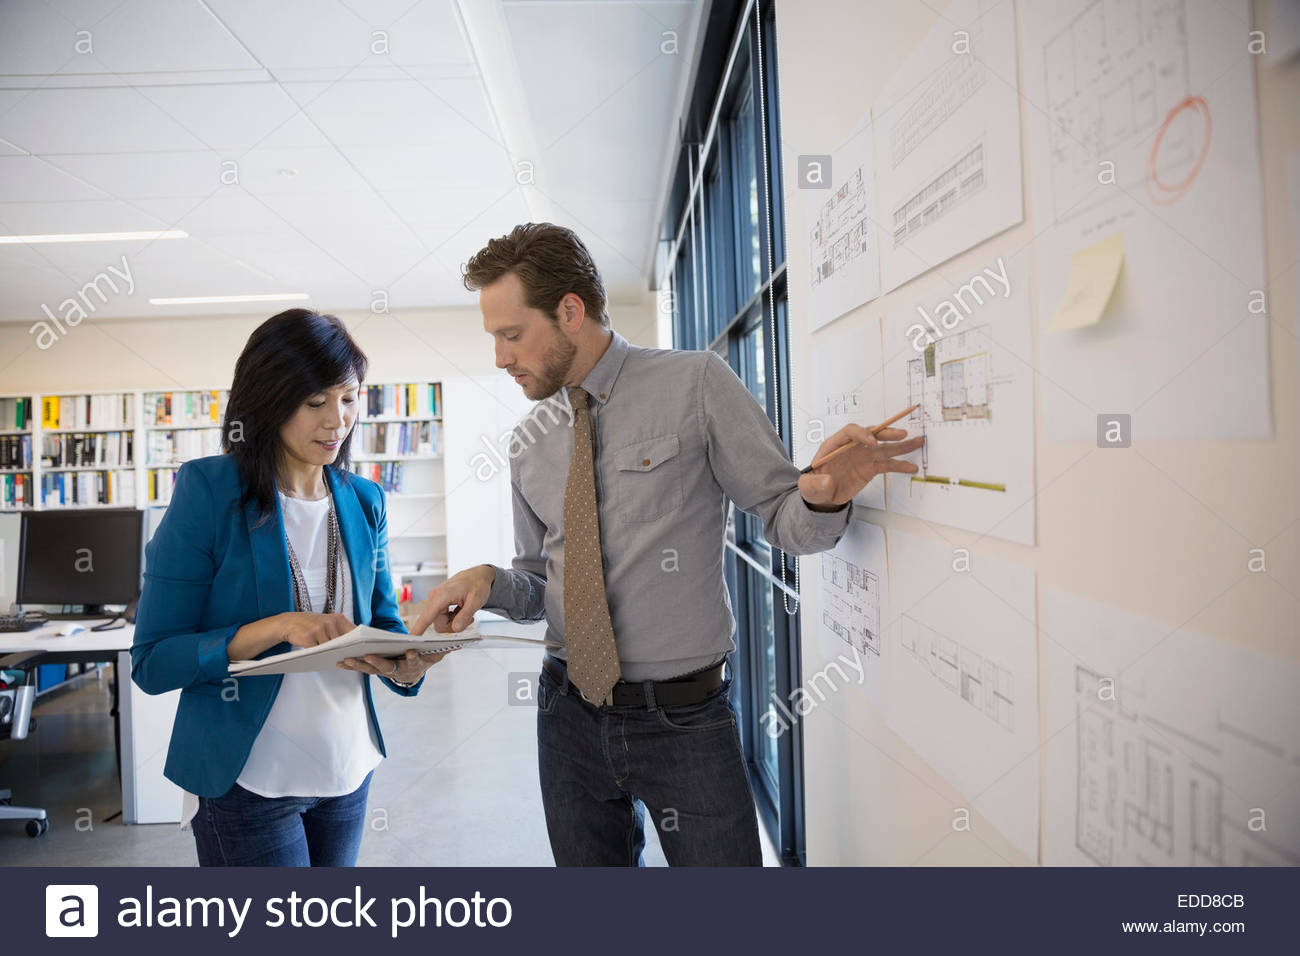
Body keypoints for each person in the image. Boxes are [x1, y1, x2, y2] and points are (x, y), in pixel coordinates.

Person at [414, 223, 923, 866]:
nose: (500, 358)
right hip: (565, 714)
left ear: (570, 310)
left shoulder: (696, 384)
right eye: (494, 338)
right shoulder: (527, 441)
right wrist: (488, 581)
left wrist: (824, 495)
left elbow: (782, 516)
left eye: (511, 334)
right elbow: (542, 586)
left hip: (685, 721)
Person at [132, 308, 445, 867]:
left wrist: (408, 661)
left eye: (348, 398)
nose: (337, 420)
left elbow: (383, 625)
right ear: (270, 402)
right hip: (247, 780)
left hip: (347, 770)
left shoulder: (364, 499)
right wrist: (280, 627)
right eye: (315, 402)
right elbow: (155, 661)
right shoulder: (210, 491)